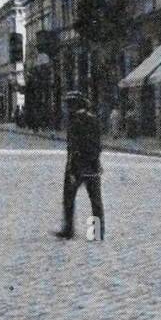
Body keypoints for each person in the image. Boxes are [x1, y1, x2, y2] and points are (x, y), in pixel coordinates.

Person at [55, 92, 105, 241]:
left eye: (68, 105)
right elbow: (98, 144)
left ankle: (68, 230)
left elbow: (73, 147)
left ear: (73, 106)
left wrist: (70, 168)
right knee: (95, 200)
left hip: (77, 167)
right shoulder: (94, 120)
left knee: (69, 198)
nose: (66, 108)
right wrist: (97, 160)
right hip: (93, 165)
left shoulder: (74, 122)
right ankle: (96, 233)